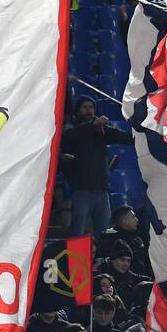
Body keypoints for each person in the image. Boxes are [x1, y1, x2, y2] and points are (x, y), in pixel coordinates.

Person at [59, 97, 129, 235]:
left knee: (103, 235)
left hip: (102, 191)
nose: (89, 110)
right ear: (77, 111)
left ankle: (100, 257)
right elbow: (68, 137)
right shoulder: (72, 129)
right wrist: (93, 126)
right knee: (77, 234)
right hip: (82, 191)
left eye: (91, 107)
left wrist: (142, 131)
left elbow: (124, 137)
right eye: (84, 107)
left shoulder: (100, 130)